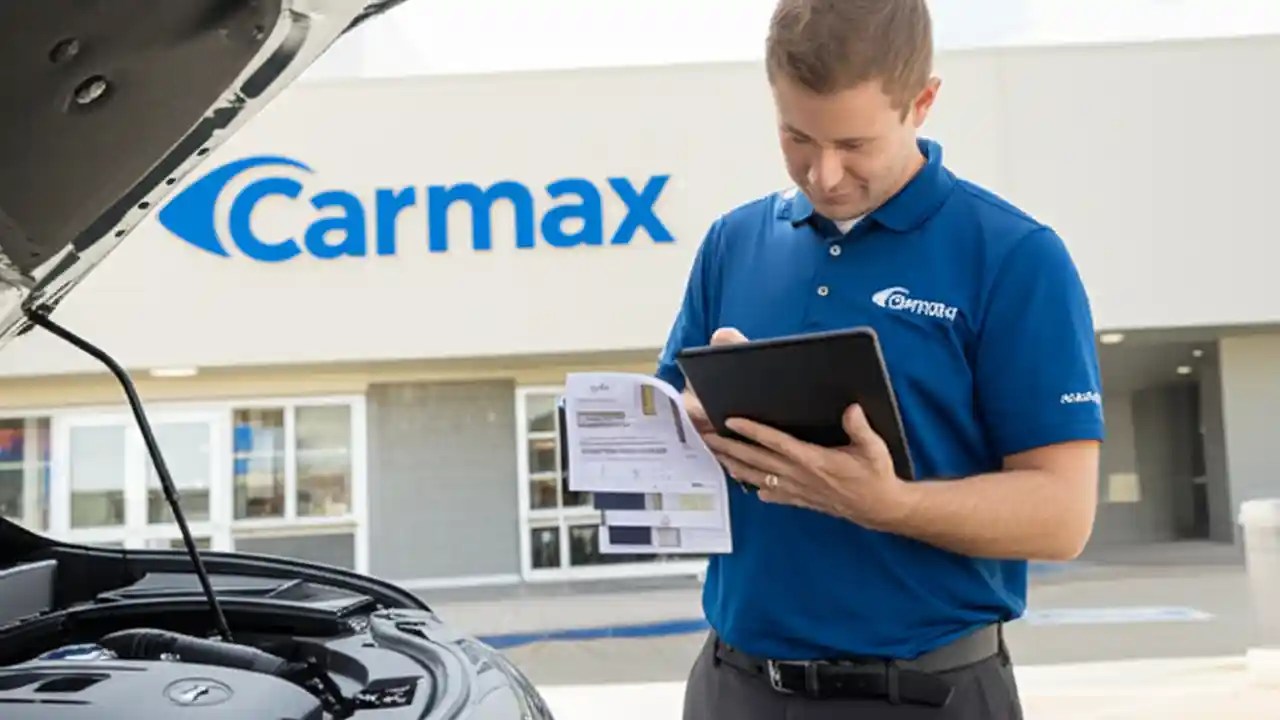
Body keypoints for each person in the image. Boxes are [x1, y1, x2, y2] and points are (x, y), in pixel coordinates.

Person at [654, 1, 1106, 718]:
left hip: (926, 695)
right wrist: (691, 422)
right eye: (796, 136)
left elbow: (1061, 516)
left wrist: (888, 505)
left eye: (855, 144)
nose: (824, 174)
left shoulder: (1014, 257)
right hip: (734, 688)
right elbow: (665, 434)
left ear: (922, 103)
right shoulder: (731, 244)